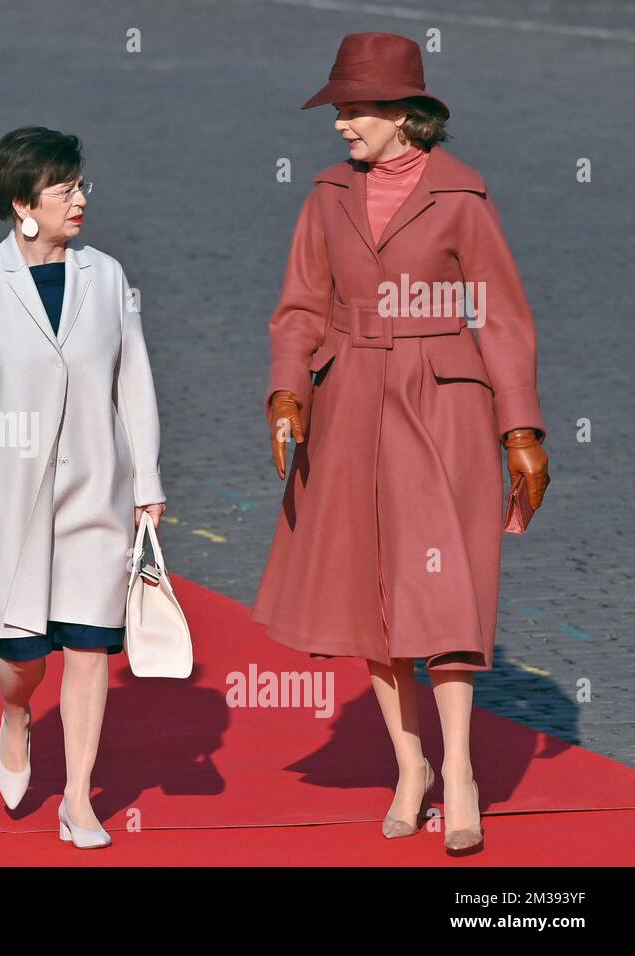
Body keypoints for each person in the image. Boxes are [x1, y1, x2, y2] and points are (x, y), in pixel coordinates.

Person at [250, 33, 550, 856]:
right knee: (371, 597)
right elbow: (300, 308)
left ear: (405, 116)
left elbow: (503, 318)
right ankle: (410, 768)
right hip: (348, 402)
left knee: (445, 595)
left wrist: (521, 428)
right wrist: (288, 390)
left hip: (443, 405)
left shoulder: (463, 196)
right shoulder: (325, 194)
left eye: (354, 110)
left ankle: (459, 773)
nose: (340, 124)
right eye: (340, 110)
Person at [0, 126, 167, 848]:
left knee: (90, 646)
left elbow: (134, 381)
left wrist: (147, 481)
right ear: (24, 204)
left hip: (97, 488)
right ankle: (16, 715)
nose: (80, 199)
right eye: (64, 189)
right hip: (9, 497)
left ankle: (78, 801)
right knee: (21, 656)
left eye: (80, 185)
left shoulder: (108, 277)